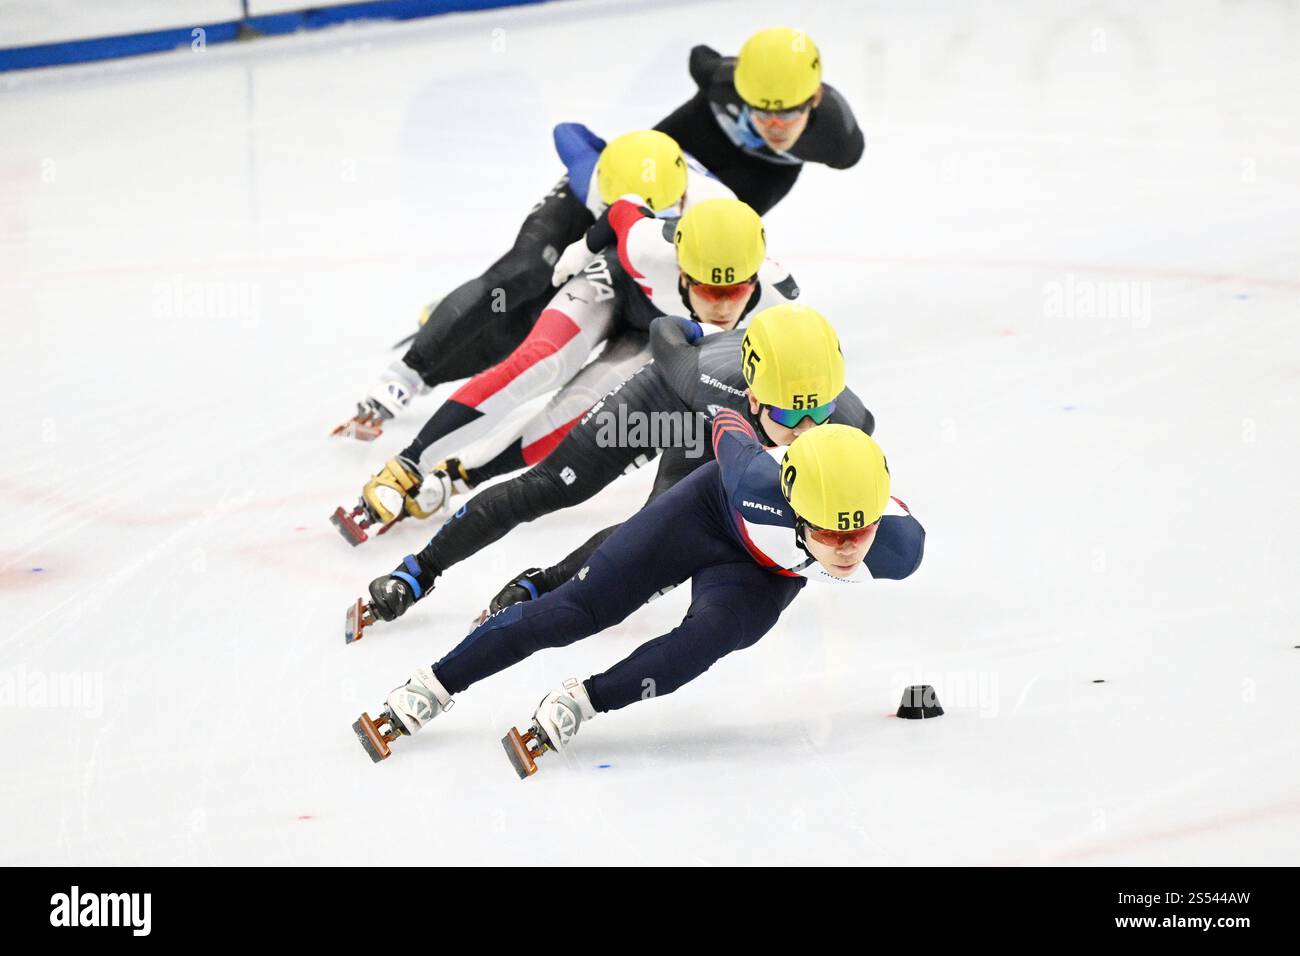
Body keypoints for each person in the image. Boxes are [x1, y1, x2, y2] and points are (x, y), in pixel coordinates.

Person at [353, 413, 924, 772]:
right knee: (575, 612)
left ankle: (583, 701)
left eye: (859, 531)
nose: (847, 548)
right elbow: (727, 421)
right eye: (828, 530)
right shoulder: (754, 480)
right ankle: (433, 686)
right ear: (797, 509)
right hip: (707, 515)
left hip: (762, 573)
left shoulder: (898, 550)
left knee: (714, 637)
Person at [357, 304, 876, 629]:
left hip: (724, 432)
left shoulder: (852, 421)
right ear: (755, 388)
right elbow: (664, 330)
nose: (808, 428)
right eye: (790, 412)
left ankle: (541, 584)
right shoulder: (708, 377)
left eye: (819, 411)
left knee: (652, 528)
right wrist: (703, 328)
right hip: (666, 402)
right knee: (549, 487)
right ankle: (418, 572)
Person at [333, 198, 799, 544]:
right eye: (706, 289)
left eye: (735, 291)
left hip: (658, 338)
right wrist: (586, 247)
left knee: (580, 414)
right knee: (541, 361)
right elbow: (623, 210)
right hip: (614, 289)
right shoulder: (646, 247)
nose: (721, 304)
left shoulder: (780, 305)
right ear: (680, 268)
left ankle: (459, 477)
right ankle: (407, 465)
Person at [335, 127, 729, 439]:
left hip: (647, 248)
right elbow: (567, 130)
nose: (630, 219)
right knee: (517, 279)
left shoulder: (714, 209)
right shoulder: (589, 175)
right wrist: (609, 150)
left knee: (524, 329)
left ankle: (437, 360)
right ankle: (406, 373)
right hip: (581, 215)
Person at [654, 26, 865, 215]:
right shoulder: (722, 81)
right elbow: (700, 54)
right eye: (761, 111)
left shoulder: (839, 141)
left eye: (787, 114)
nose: (774, 126)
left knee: (713, 230)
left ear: (816, 98)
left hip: (766, 171)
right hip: (704, 126)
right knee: (635, 174)